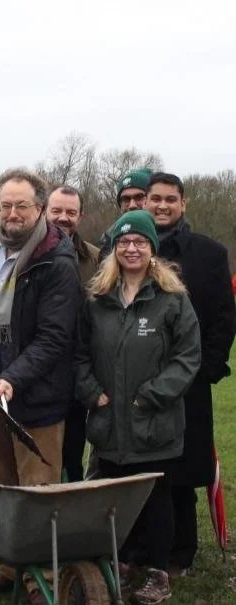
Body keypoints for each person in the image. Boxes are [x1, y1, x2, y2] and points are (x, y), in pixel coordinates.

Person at [0, 168, 82, 605]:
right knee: (1, 478)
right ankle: (11, 562)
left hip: (34, 388)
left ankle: (43, 578)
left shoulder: (56, 261)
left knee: (38, 486)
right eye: (5, 204)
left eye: (21, 206)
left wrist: (15, 377)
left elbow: (53, 338)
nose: (11, 213)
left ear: (40, 209)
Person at [75, 210, 200, 604]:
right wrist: (92, 392)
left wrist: (152, 394)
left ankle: (158, 572)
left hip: (153, 422)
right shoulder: (97, 301)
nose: (132, 248)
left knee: (155, 498)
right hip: (109, 422)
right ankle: (122, 563)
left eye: (140, 242)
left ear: (152, 249)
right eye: (125, 242)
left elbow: (188, 357)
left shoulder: (172, 301)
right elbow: (78, 356)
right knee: (114, 499)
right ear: (114, 249)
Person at [144, 172, 236, 575]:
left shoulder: (209, 254)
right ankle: (141, 548)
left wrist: (207, 369)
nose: (162, 206)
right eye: (155, 199)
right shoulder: (130, 248)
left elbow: (222, 317)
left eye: (170, 199)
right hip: (138, 380)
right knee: (144, 468)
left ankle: (181, 551)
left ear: (183, 204)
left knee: (181, 470)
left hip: (189, 381)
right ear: (144, 203)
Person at [46, 185, 100, 483]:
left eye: (70, 212)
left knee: (73, 450)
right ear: (44, 211)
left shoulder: (95, 258)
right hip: (38, 374)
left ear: (81, 215)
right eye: (57, 211)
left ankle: (72, 519)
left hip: (79, 371)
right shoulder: (27, 255)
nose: (63, 218)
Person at [99, 168, 152, 256]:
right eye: (126, 199)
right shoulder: (108, 241)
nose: (132, 205)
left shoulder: (173, 239)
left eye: (139, 197)